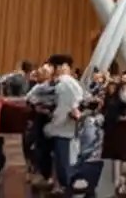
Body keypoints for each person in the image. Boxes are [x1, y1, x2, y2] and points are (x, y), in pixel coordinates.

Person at [44, 54, 84, 196]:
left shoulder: (65, 83)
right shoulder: (70, 82)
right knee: (62, 159)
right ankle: (62, 185)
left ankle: (66, 185)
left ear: (60, 67)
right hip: (65, 128)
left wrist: (53, 125)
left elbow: (65, 107)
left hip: (62, 128)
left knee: (63, 162)